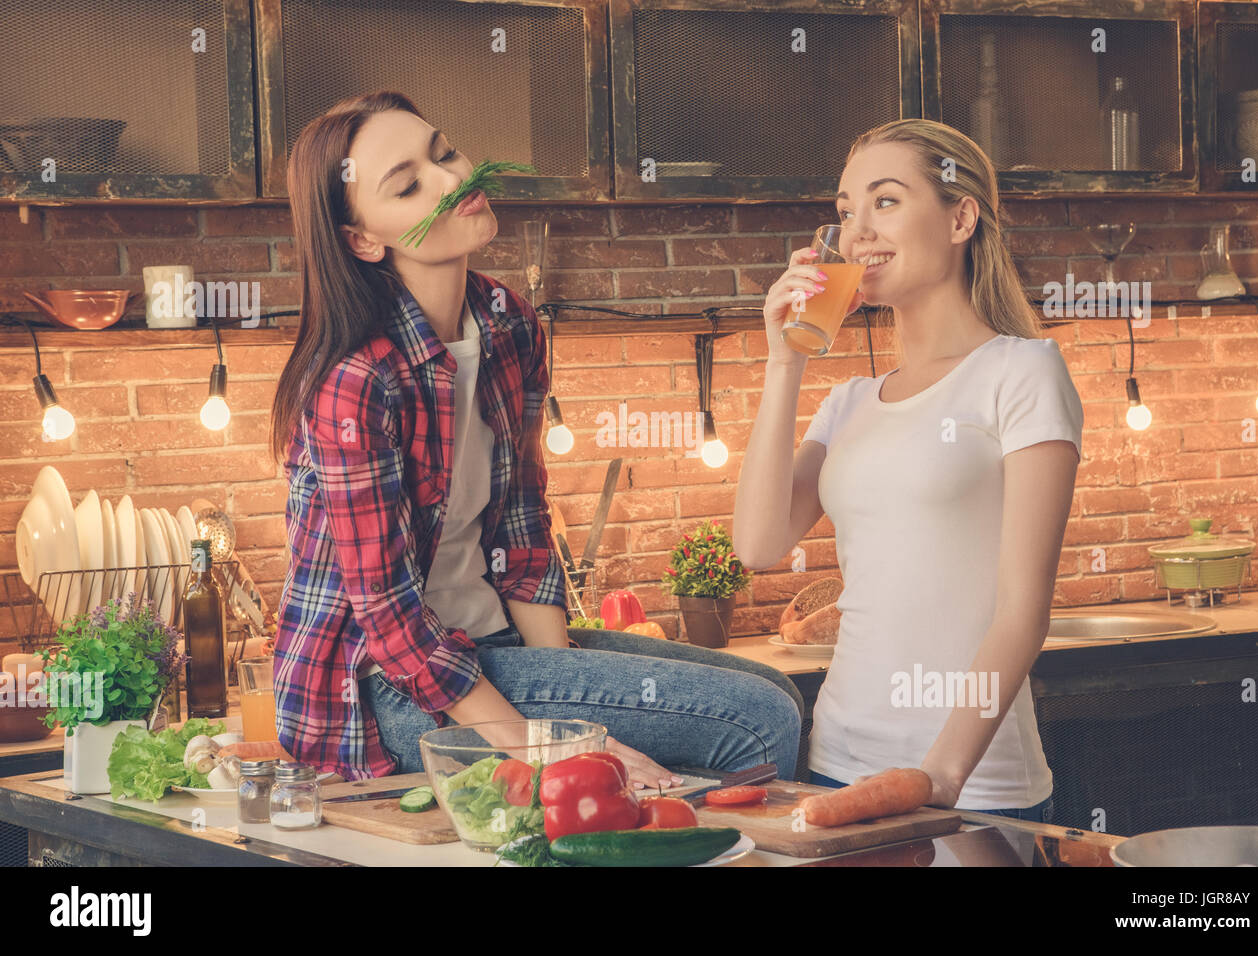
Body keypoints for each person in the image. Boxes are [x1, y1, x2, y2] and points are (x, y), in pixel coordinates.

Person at [267, 91, 802, 785]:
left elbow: (520, 527)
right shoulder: (355, 380)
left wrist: (567, 684)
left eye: (444, 153)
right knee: (759, 720)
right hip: (383, 693)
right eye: (408, 184)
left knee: (783, 695)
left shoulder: (507, 324)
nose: (453, 181)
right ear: (363, 239)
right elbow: (388, 618)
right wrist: (559, 749)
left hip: (496, 648)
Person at [734, 118, 1083, 823]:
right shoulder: (849, 402)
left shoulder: (1021, 373)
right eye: (844, 210)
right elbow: (758, 546)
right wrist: (784, 361)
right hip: (832, 765)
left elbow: (1024, 611)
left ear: (960, 217)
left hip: (971, 781)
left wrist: (940, 776)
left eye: (885, 201)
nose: (857, 230)